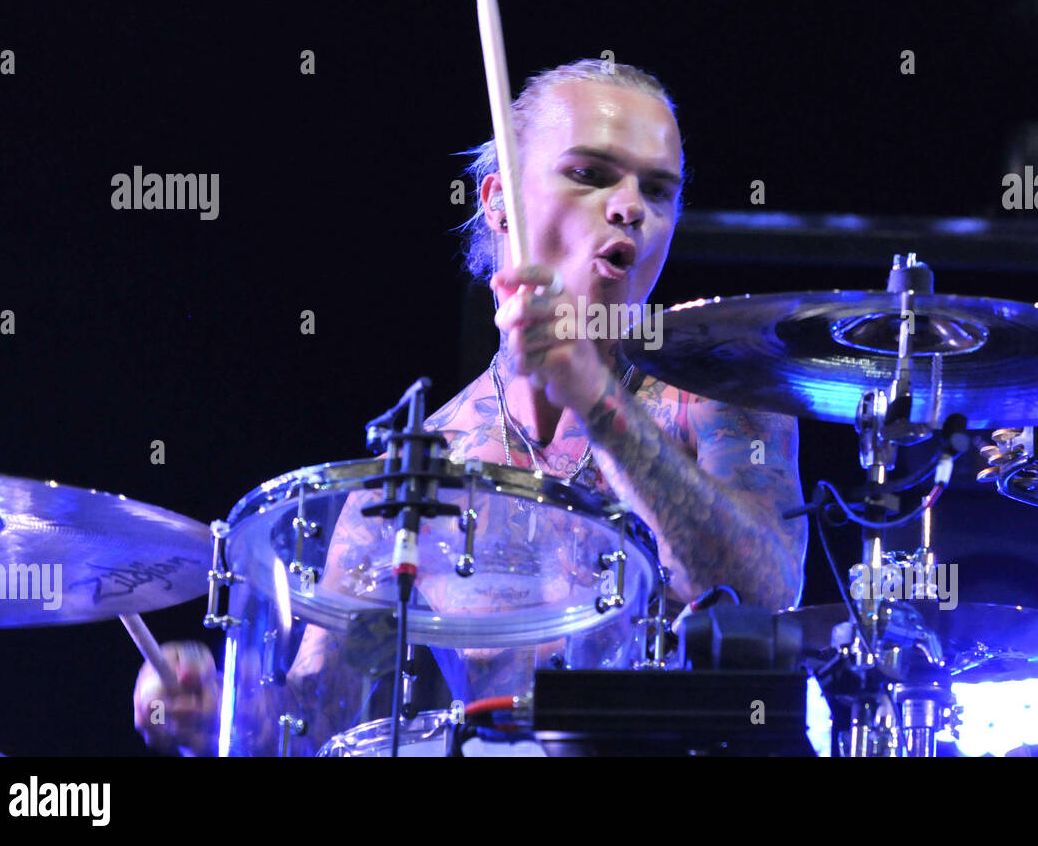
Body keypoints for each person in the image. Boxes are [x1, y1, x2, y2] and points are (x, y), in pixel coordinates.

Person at [134, 59, 808, 755]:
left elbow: (767, 588)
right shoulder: (426, 463)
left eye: (658, 189)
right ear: (500, 202)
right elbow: (316, 710)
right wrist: (215, 711)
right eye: (592, 173)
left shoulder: (723, 385)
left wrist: (599, 399)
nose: (630, 205)